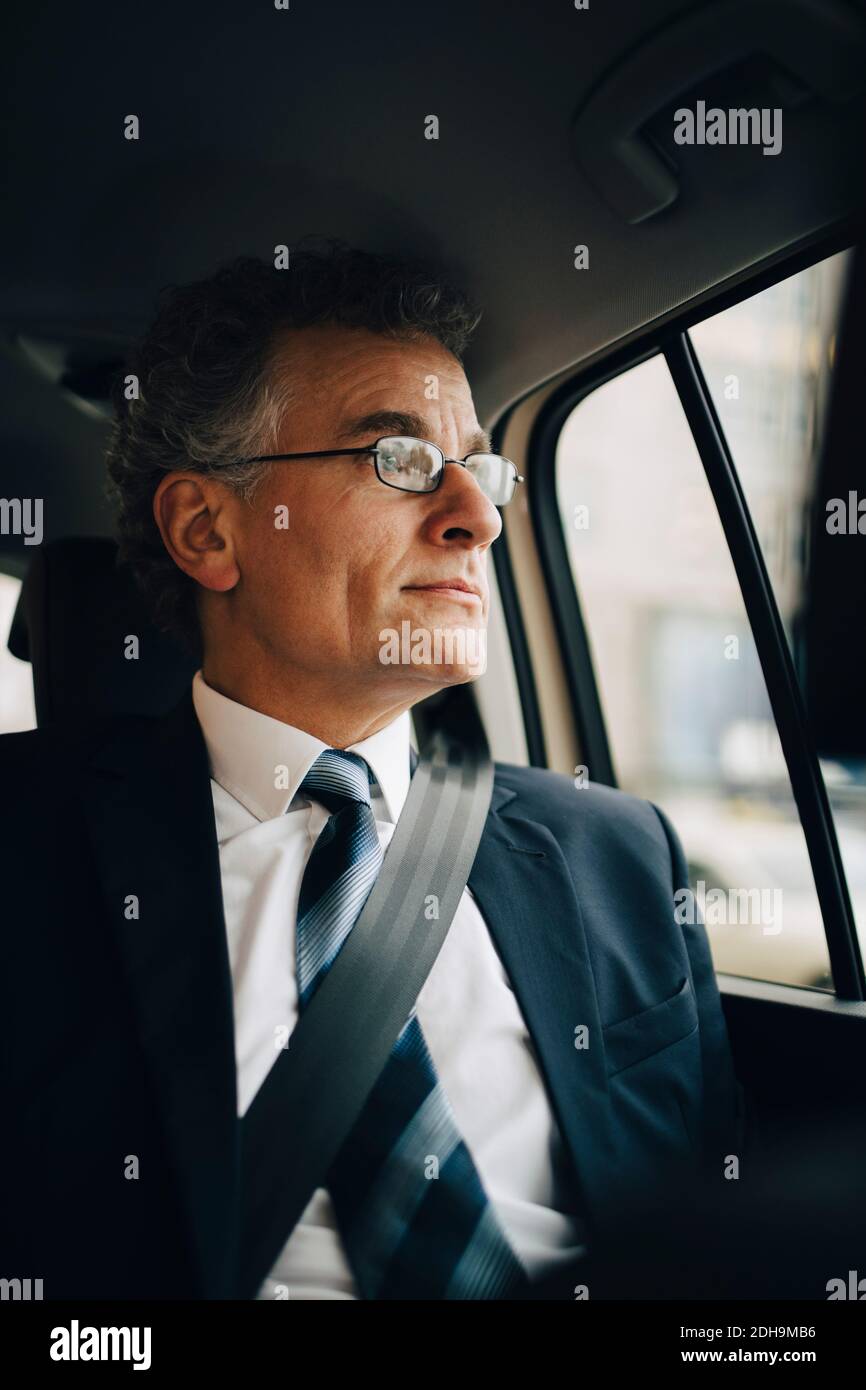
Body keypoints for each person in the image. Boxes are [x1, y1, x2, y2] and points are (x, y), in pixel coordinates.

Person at [0, 241, 742, 1300]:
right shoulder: (23, 841)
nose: (477, 517)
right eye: (397, 459)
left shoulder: (615, 852)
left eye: (482, 469)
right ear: (207, 529)